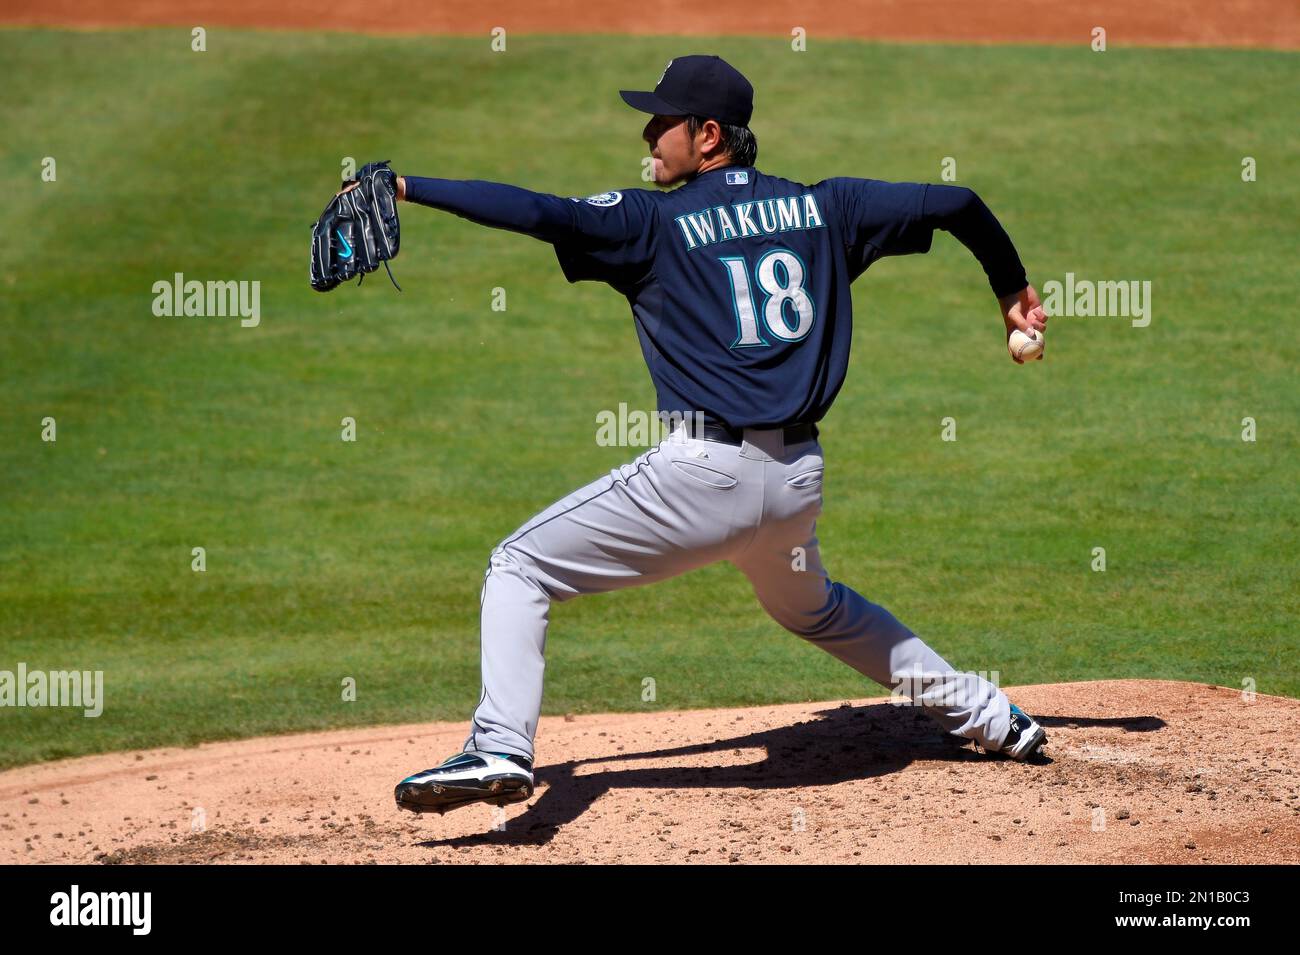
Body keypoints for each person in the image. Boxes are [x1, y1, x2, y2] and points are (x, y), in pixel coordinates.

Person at [391, 54, 1049, 816]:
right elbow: (959, 201)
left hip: (701, 478)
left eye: (661, 120)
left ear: (708, 136)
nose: (647, 132)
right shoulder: (826, 206)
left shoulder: (652, 221)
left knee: (518, 566)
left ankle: (499, 743)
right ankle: (994, 717)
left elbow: (539, 211)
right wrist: (1011, 291)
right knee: (817, 609)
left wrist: (410, 188)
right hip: (796, 481)